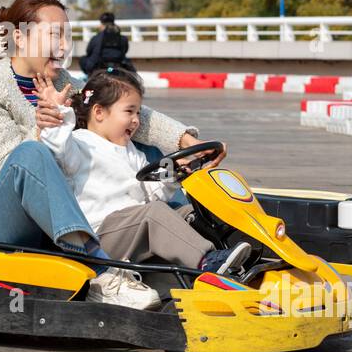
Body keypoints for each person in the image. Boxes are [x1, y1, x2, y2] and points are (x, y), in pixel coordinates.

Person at [0, 0, 225, 307]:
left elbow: (118, 108)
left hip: (47, 218)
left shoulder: (65, 82)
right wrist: (41, 128)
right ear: (19, 37)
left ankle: (194, 230)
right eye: (54, 34)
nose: (64, 46)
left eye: (67, 35)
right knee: (31, 154)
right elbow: (10, 166)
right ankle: (102, 273)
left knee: (132, 138)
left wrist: (184, 141)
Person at [35, 68, 240, 309]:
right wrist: (58, 114)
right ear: (99, 112)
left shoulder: (131, 150)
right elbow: (57, 147)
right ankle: (208, 262)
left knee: (186, 214)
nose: (135, 120)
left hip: (134, 231)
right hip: (101, 238)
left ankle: (230, 257)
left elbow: (152, 190)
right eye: (129, 111)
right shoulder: (79, 144)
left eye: (138, 113)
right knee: (154, 213)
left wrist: (177, 170)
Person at [78, 11, 134, 76]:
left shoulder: (96, 38)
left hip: (100, 69)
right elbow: (125, 51)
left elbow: (88, 52)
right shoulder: (123, 38)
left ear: (102, 24)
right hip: (116, 69)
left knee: (83, 59)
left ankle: (89, 77)